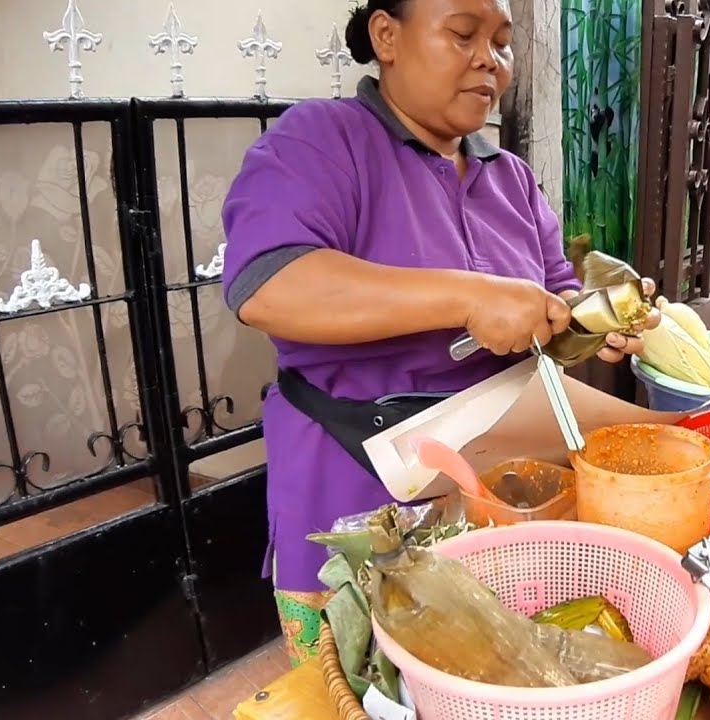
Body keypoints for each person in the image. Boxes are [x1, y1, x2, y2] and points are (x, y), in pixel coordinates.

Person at [220, 0, 658, 665]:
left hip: (499, 487)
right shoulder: (320, 141)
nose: (490, 60)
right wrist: (470, 297)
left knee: (497, 669)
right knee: (372, 682)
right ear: (387, 36)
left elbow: (552, 297)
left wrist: (594, 321)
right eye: (463, 34)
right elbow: (270, 287)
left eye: (504, 43)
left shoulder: (508, 178)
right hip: (360, 487)